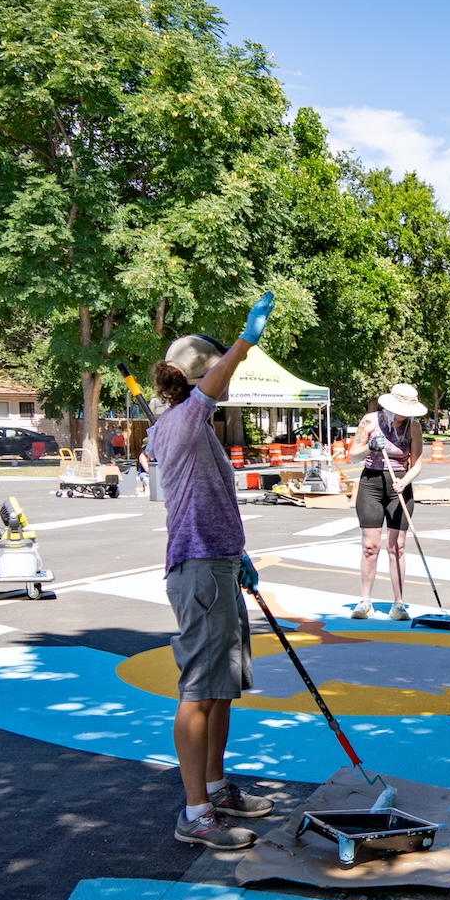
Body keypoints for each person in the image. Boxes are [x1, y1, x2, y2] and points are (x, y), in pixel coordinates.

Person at [147, 309, 277, 851]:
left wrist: (239, 553)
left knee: (222, 689)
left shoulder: (194, 426)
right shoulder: (180, 421)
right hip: (198, 569)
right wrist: (246, 341)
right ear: (197, 378)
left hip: (219, 563)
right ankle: (194, 812)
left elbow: (215, 497)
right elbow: (215, 382)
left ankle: (216, 789)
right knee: (199, 691)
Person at [349, 384, 426, 621]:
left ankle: (399, 603)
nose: (403, 414)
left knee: (397, 547)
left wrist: (405, 482)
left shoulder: (413, 426)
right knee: (370, 547)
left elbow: (418, 463)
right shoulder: (370, 421)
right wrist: (370, 445)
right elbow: (353, 455)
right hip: (371, 483)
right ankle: (364, 601)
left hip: (399, 485)